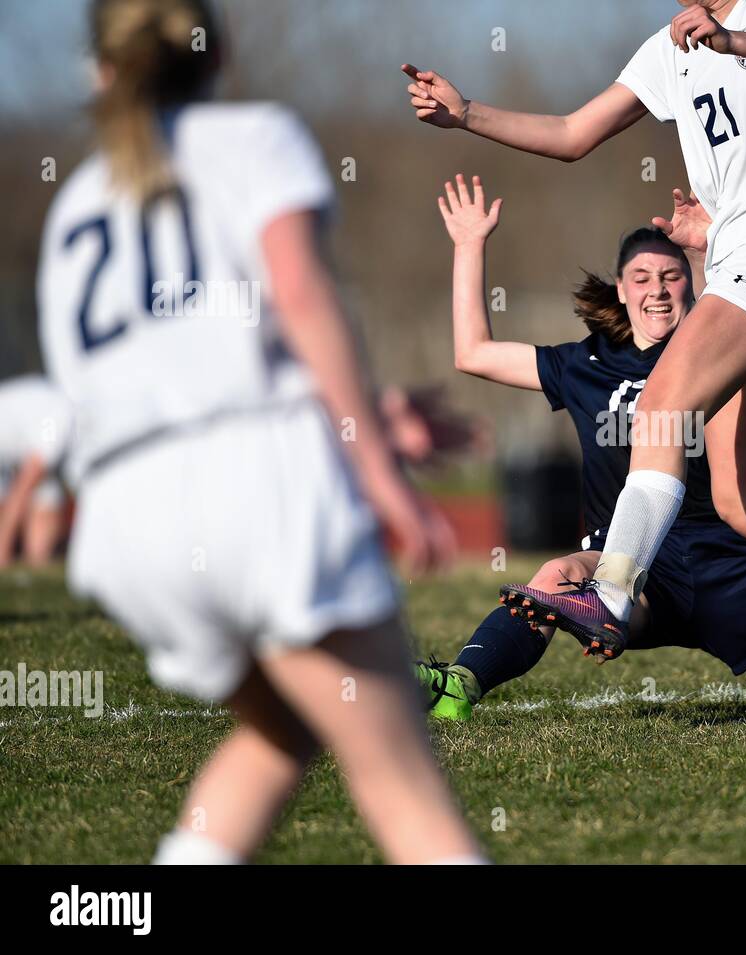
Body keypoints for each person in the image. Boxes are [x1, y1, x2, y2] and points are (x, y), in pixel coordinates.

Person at [38, 0, 481, 864]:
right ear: (216, 50)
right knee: (402, 787)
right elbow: (301, 300)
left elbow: (149, 378)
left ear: (102, 69)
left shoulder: (76, 206)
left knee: (281, 731)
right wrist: (384, 473)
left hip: (128, 524)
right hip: (254, 487)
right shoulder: (255, 138)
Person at [402, 0, 746, 680]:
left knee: (661, 410)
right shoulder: (667, 47)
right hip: (745, 253)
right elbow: (571, 131)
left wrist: (734, 39)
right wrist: (467, 113)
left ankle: (612, 594)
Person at [415, 175, 746, 720]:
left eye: (671, 276)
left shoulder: (722, 361)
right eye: (641, 277)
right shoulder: (584, 366)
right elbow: (473, 352)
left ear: (690, 284)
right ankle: (459, 684)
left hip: (727, 568)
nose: (657, 289)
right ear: (620, 288)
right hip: (631, 575)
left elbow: (733, 316)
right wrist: (470, 245)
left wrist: (712, 251)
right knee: (555, 576)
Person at [0, 375, 72, 568]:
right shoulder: (55, 424)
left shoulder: (56, 419)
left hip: (22, 456)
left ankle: (36, 566)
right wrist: (3, 545)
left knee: (47, 500)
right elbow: (24, 485)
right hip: (15, 457)